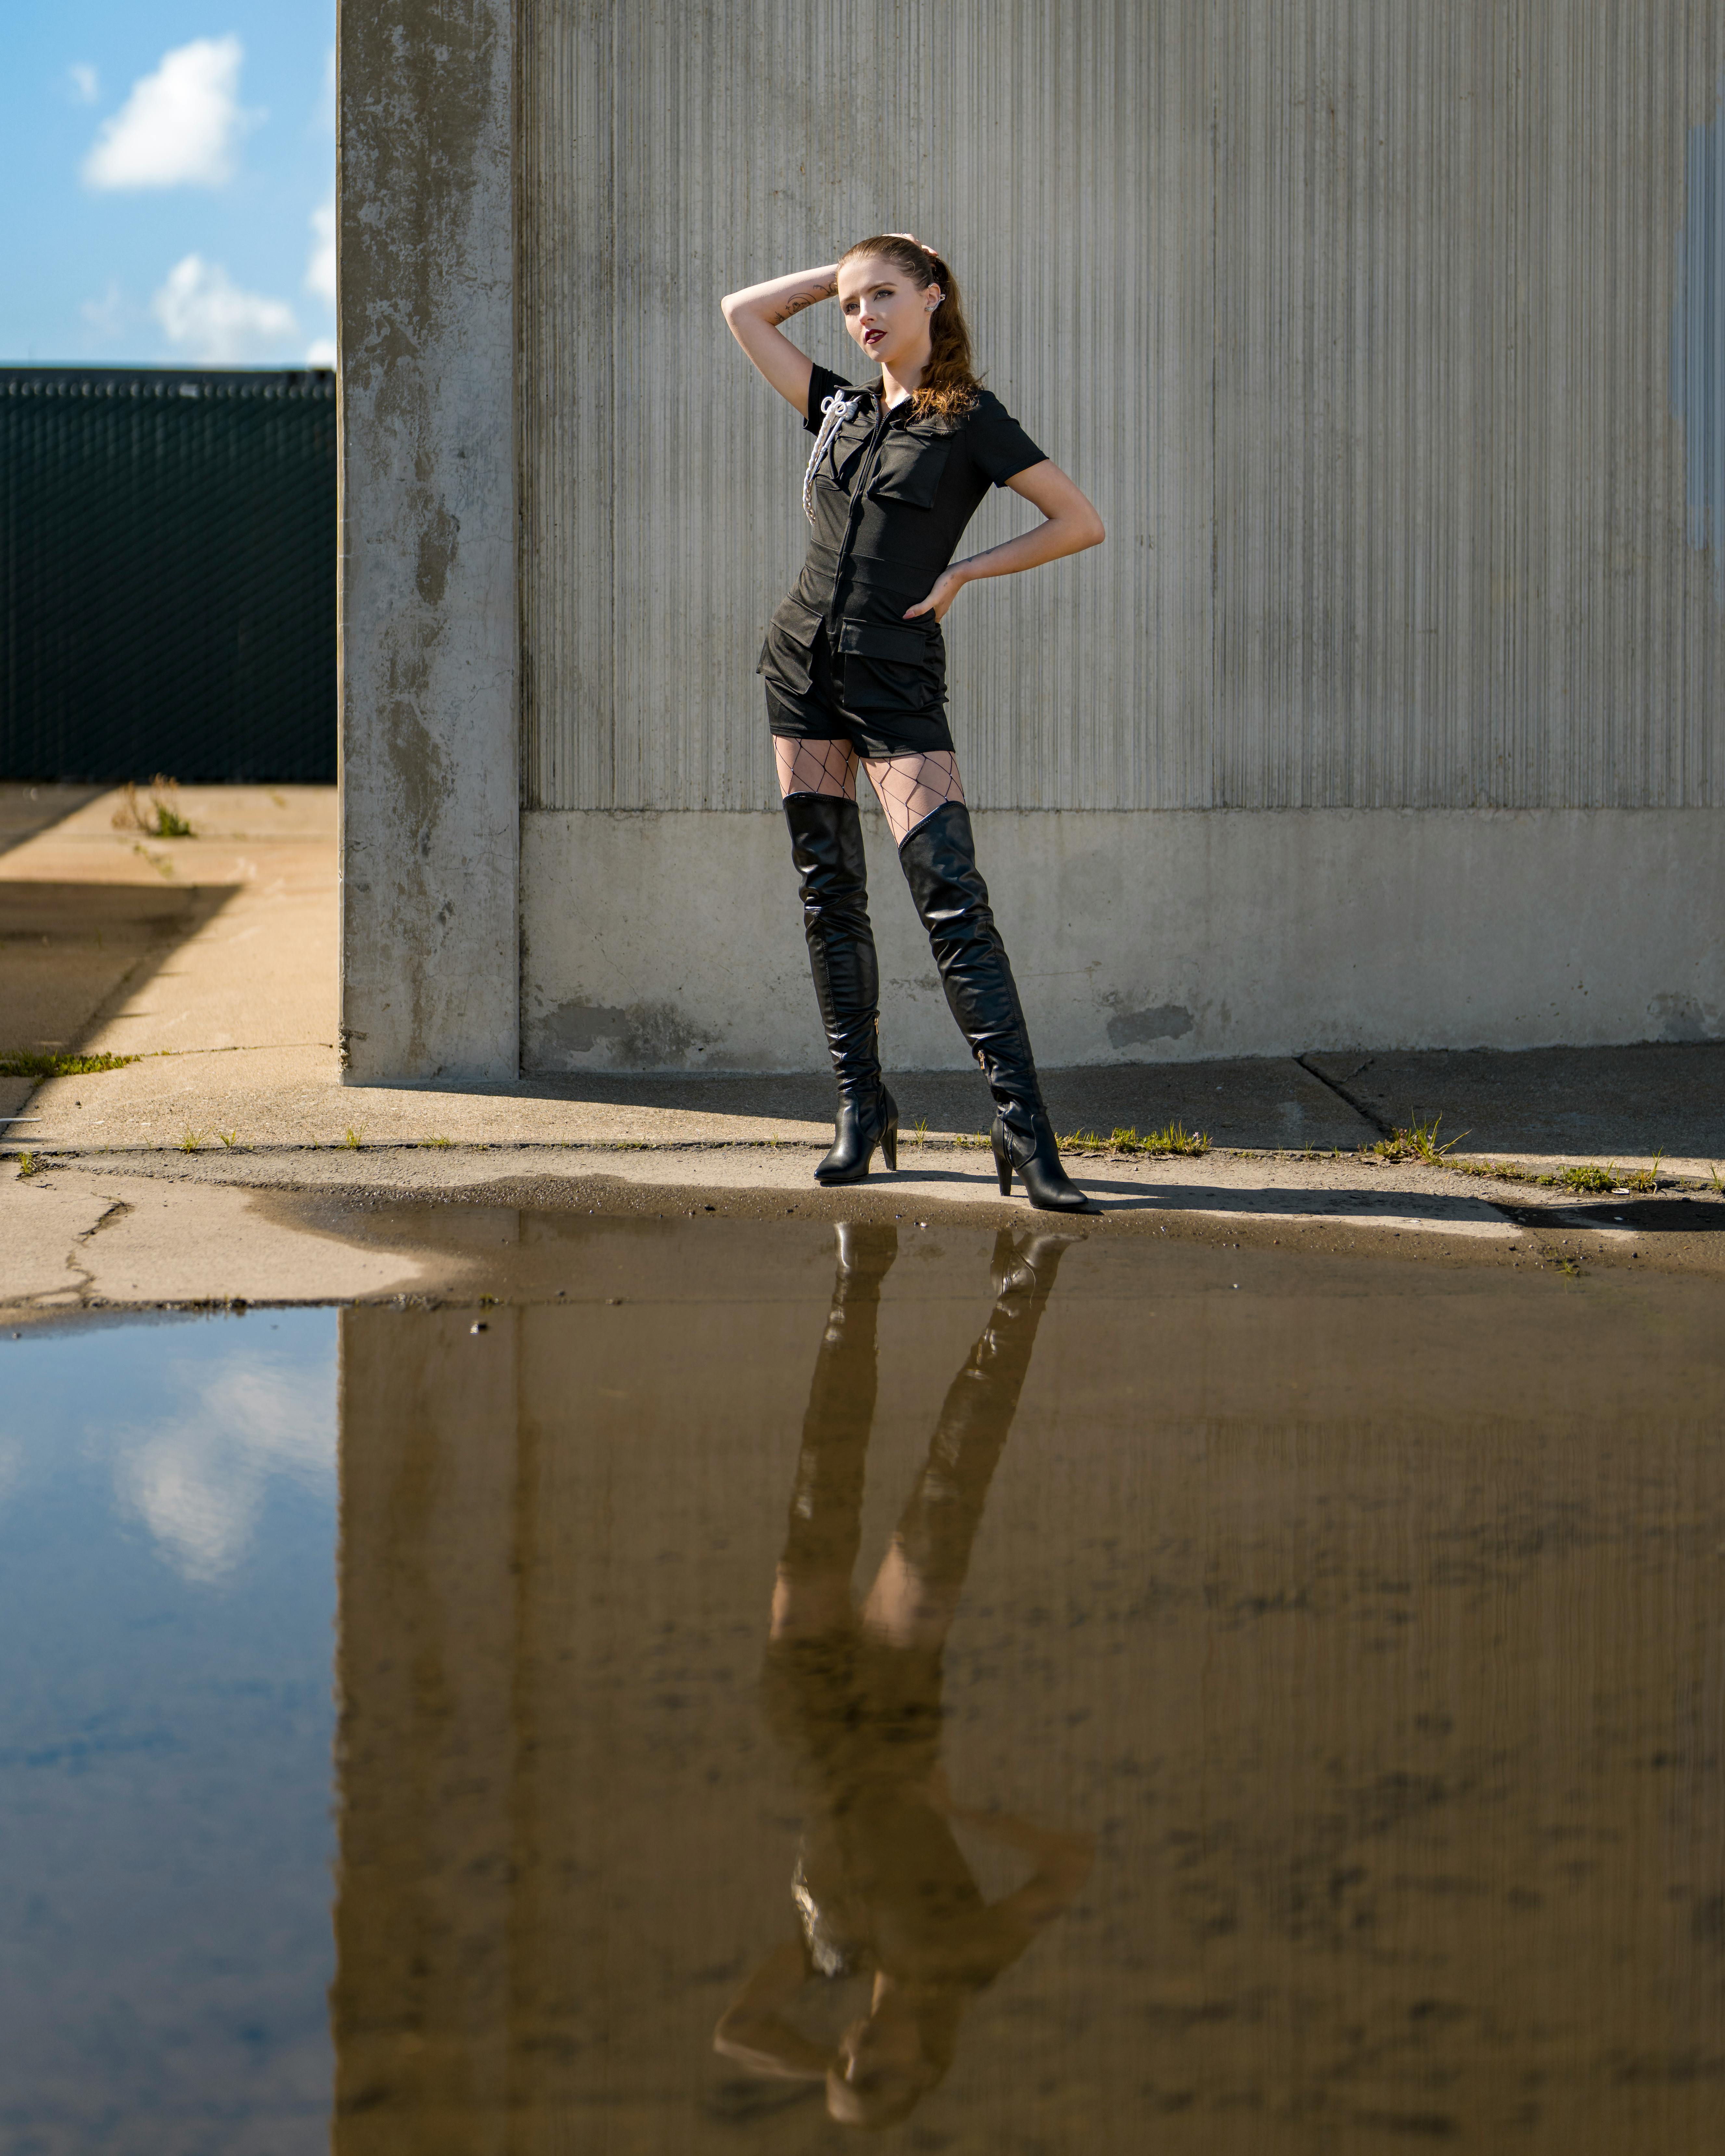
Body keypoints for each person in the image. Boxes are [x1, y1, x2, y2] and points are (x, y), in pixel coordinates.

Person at [720, 236, 1106, 1213]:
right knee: (828, 894)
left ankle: (1023, 1130)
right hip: (801, 673)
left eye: (884, 295)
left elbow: (1078, 521)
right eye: (853, 305)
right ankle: (862, 1107)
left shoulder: (971, 419)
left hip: (895, 683)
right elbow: (742, 311)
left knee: (953, 901)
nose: (864, 318)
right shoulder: (838, 409)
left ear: (934, 297)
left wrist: (968, 573)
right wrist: (837, 270)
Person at [714, 1223, 1093, 2130]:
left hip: (806, 1718)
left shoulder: (830, 1958)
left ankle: (860, 1277)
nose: (856, 2054)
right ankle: (1022, 1290)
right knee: (947, 1495)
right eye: (875, 2074)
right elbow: (1067, 1866)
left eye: (851, 2065)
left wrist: (822, 2082)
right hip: (895, 1722)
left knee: (822, 1487)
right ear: (926, 2067)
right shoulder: (967, 1961)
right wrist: (963, 1819)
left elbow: (737, 2033)